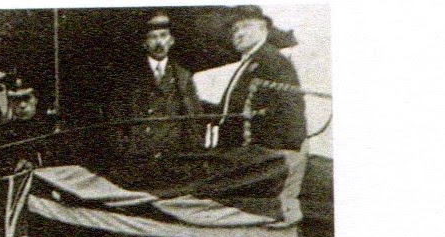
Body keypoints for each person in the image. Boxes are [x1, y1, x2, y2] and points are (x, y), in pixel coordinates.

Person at [108, 12, 203, 163]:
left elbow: (193, 121)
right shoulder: (129, 78)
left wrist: (193, 157)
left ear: (171, 41)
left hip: (173, 158)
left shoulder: (183, 77)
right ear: (144, 43)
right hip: (138, 159)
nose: (159, 42)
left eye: (163, 36)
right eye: (153, 37)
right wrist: (125, 151)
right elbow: (116, 120)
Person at [216, 5, 307, 151]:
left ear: (263, 29)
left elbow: (290, 110)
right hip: (237, 153)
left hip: (259, 155)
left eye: (246, 26)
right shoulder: (248, 63)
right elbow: (231, 111)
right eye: (235, 30)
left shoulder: (273, 60)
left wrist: (277, 154)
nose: (239, 33)